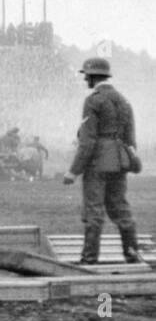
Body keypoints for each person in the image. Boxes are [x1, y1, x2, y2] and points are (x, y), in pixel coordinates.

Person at [64, 57, 141, 264]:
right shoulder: (124, 101)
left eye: (86, 76)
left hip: (98, 162)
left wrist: (74, 171)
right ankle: (132, 253)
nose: (85, 80)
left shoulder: (93, 100)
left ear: (91, 76)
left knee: (94, 210)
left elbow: (87, 142)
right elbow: (131, 139)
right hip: (119, 161)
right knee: (120, 207)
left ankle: (89, 258)